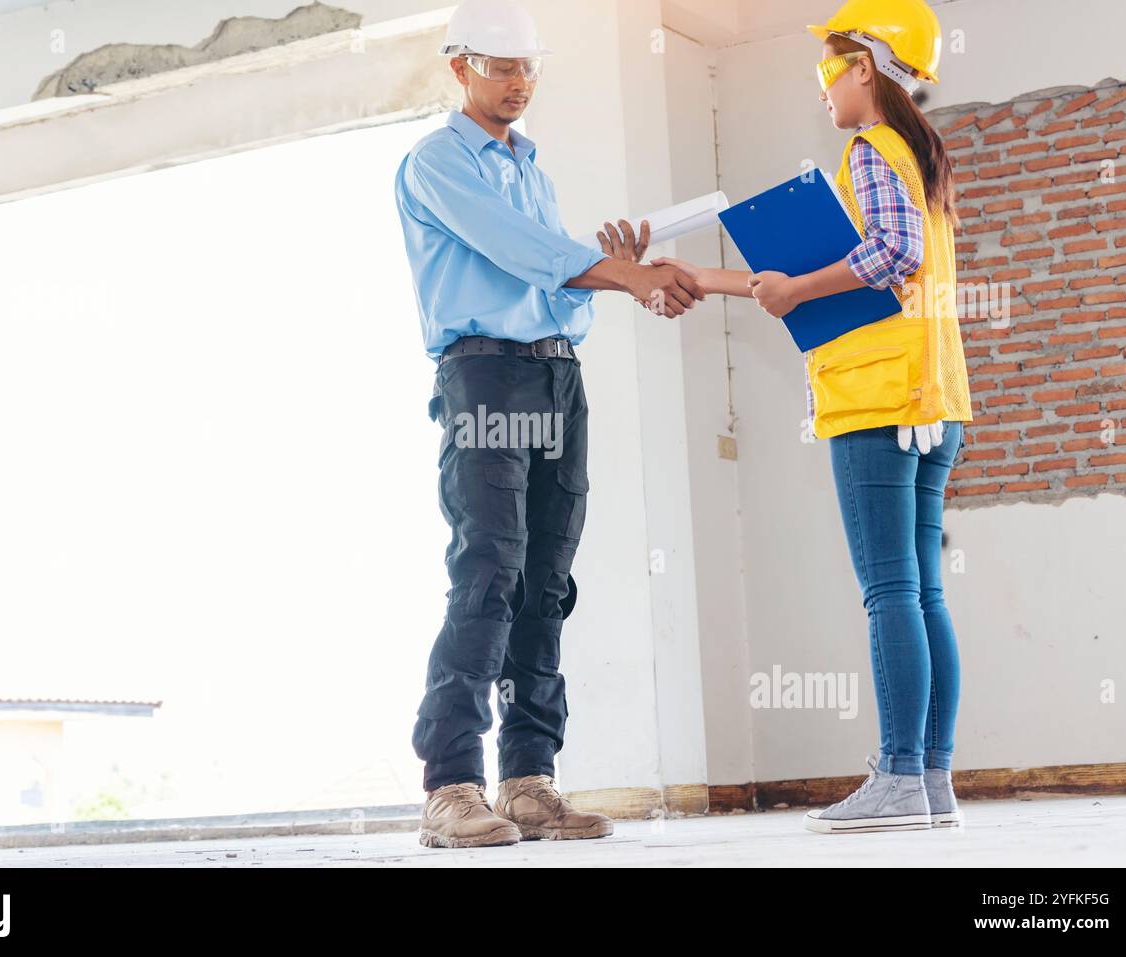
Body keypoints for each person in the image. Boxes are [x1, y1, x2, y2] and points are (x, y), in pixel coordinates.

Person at [656, 0, 974, 833]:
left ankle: (900, 774)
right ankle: (931, 779)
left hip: (875, 399)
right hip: (935, 401)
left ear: (864, 67)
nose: (823, 84)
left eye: (829, 66)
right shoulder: (921, 155)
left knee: (890, 592)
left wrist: (797, 288)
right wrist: (712, 277)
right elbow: (881, 261)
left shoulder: (869, 150)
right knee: (923, 591)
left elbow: (890, 257)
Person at [394, 0, 705, 849]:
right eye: (501, 68)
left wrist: (613, 269)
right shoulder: (435, 164)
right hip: (485, 375)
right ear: (460, 67)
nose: (518, 82)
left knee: (548, 580)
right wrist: (625, 275)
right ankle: (452, 783)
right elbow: (523, 255)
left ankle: (529, 779)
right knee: (490, 566)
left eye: (528, 68)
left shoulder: (532, 169)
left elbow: (555, 291)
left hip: (555, 375)